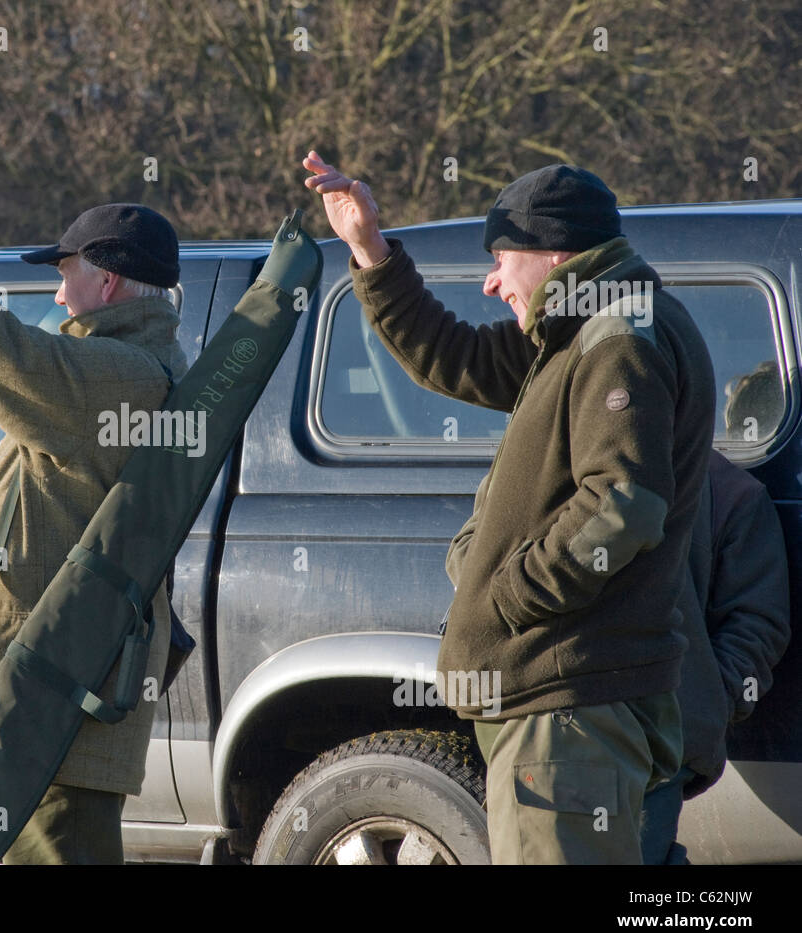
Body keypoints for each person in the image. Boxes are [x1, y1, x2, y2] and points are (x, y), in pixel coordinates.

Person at [305, 152, 716, 863]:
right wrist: (370, 251)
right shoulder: (582, 326)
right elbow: (452, 354)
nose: (493, 283)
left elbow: (624, 502)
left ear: (553, 253)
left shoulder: (616, 336)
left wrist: (505, 596)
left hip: (566, 709)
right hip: (574, 700)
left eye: (502, 259)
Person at [0, 198, 188, 863]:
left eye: (66, 270)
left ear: (106, 281)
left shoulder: (116, 375)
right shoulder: (134, 366)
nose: (58, 290)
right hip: (44, 707)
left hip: (47, 716)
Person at [638, 445, 790, 863]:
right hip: (556, 734)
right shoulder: (556, 461)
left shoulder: (729, 491)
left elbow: (757, 625)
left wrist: (704, 701)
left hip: (655, 744)